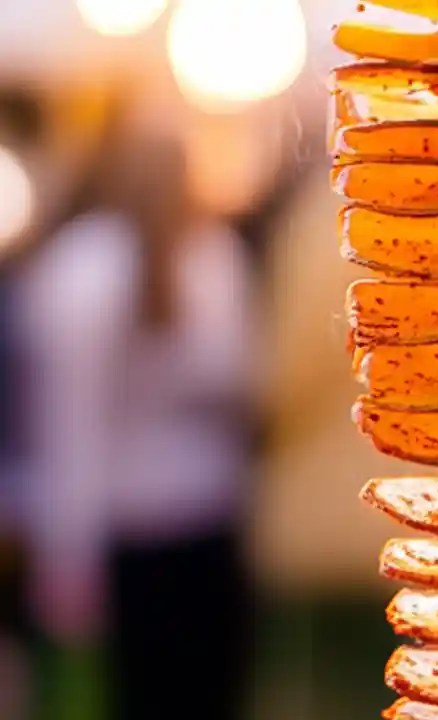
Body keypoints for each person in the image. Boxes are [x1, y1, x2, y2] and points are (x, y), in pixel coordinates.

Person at [13, 129, 256, 720]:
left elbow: (70, 427)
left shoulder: (80, 265)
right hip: (207, 516)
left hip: (130, 528)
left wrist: (66, 551)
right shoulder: (215, 257)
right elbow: (242, 387)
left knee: (139, 696)